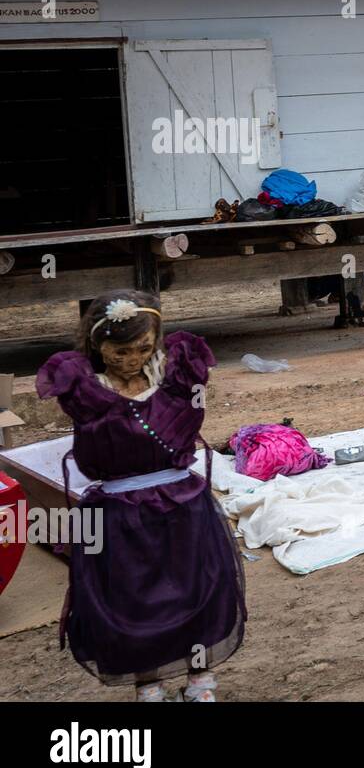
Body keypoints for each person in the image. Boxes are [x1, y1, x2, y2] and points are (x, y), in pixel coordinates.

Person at [35, 290, 246, 701]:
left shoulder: (180, 375)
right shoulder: (82, 390)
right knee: (133, 603)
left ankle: (199, 680)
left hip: (183, 509)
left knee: (196, 591)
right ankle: (148, 684)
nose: (133, 359)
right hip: (119, 516)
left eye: (143, 348)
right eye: (120, 351)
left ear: (158, 338)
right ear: (97, 345)